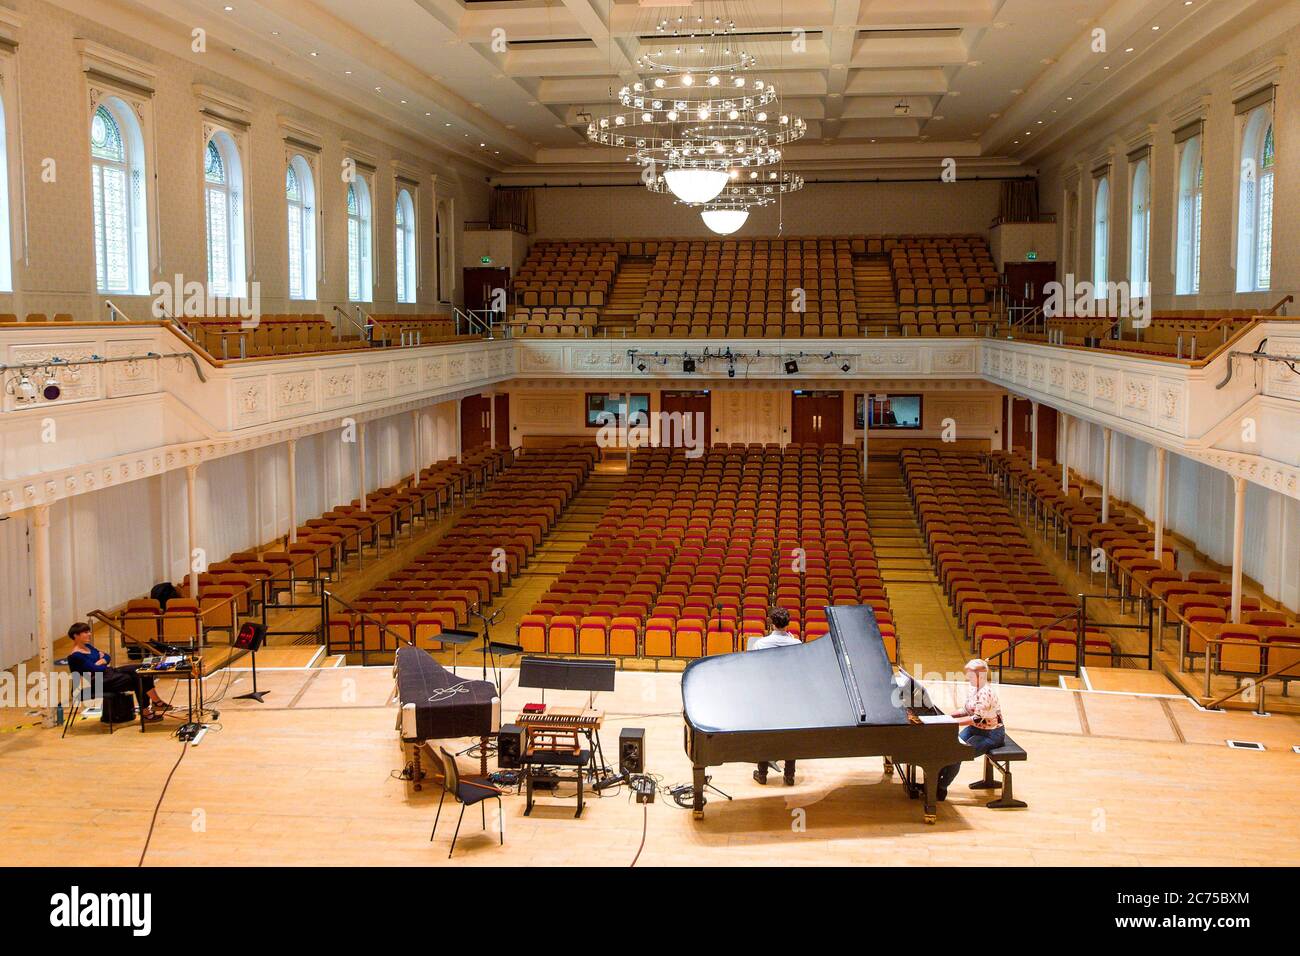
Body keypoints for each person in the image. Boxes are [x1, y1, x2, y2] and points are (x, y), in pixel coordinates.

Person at [65, 622, 173, 721]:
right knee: (137, 678)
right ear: (76, 635)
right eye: (85, 632)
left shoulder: (88, 646)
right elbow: (96, 669)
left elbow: (107, 657)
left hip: (108, 673)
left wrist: (102, 660)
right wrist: (101, 661)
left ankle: (152, 706)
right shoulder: (75, 656)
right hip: (98, 682)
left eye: (89, 631)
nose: (89, 634)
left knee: (142, 669)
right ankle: (151, 707)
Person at [935, 659, 1005, 801]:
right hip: (975, 729)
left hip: (990, 734)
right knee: (948, 747)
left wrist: (951, 723)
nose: (967, 678)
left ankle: (941, 788)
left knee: (957, 755)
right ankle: (933, 782)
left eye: (970, 675)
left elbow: (977, 718)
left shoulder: (986, 693)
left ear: (980, 676)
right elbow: (966, 710)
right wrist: (946, 716)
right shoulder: (974, 688)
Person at [748, 606, 801, 785]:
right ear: (788, 624)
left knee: (765, 733)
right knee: (791, 734)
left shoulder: (760, 644)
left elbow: (753, 670)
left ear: (771, 624)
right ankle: (790, 775)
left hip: (767, 696)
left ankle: (762, 774)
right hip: (790, 697)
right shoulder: (797, 644)